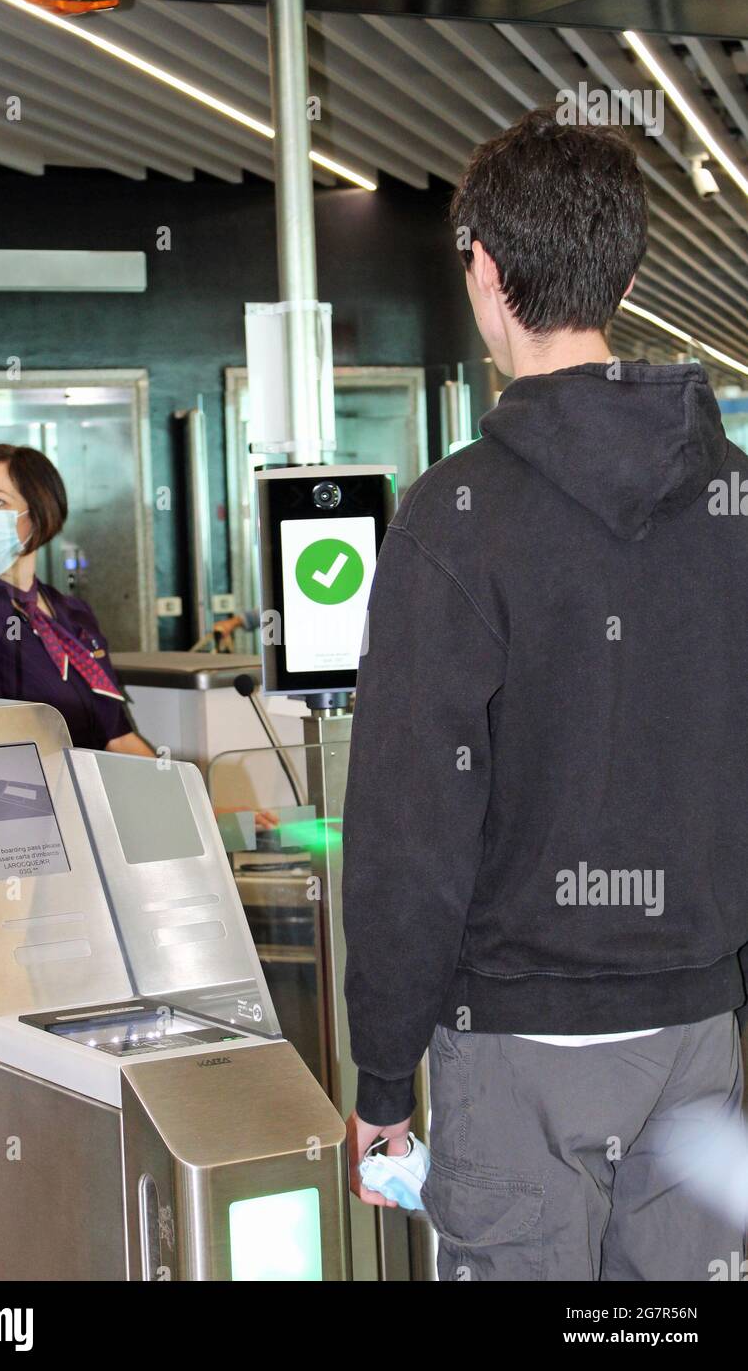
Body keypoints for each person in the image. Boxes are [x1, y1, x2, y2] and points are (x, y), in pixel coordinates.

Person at [342, 107, 748, 1281]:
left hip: (513, 1048)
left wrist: (381, 1077)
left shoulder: (451, 520)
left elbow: (410, 826)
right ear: (622, 272)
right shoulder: (729, 506)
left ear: (480, 267)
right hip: (696, 1040)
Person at [0, 444, 154, 757]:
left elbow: (118, 736)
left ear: (39, 512)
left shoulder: (72, 614)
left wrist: (188, 800)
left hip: (87, 789)